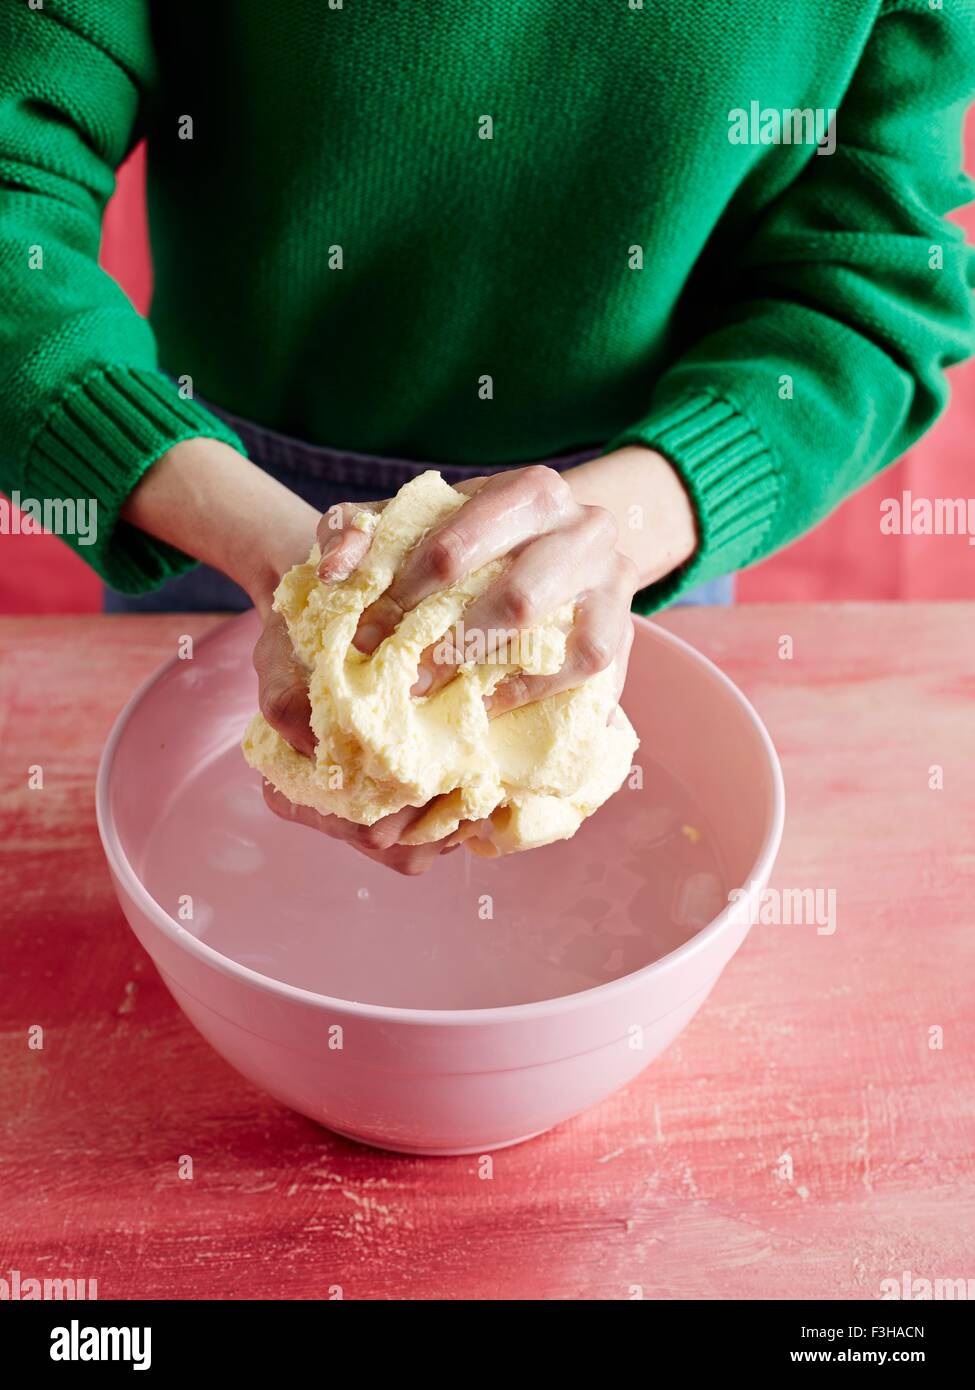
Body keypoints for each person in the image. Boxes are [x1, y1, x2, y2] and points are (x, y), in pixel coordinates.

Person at [2, 1, 973, 873]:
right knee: (183, 888)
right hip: (204, 503)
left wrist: (622, 522)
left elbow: (875, 282)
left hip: (627, 547)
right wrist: (296, 570)